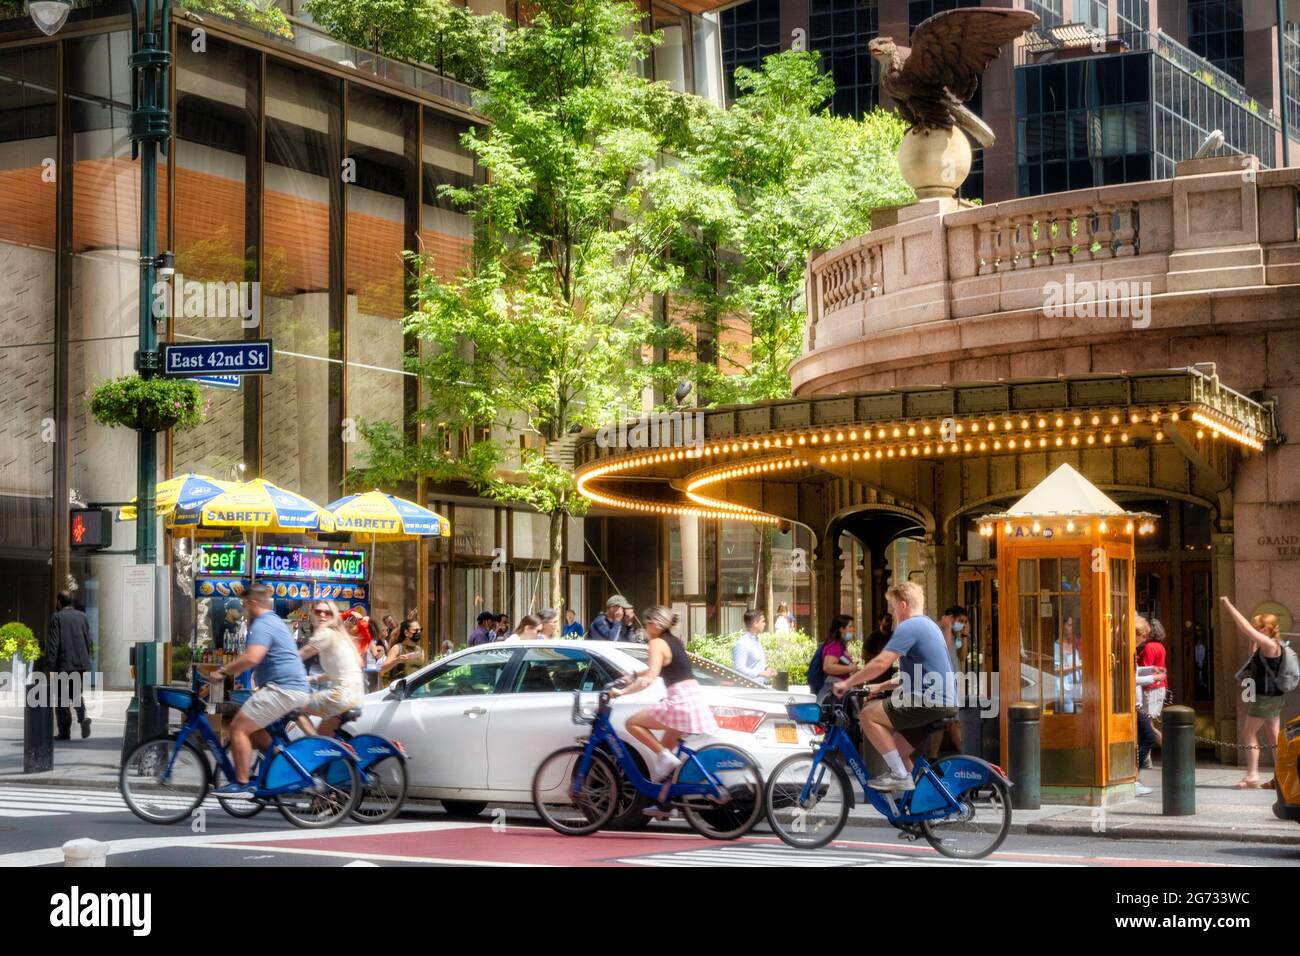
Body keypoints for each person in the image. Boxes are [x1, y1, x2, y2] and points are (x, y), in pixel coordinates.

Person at [832, 581, 958, 792]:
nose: (893, 612)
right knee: (899, 753)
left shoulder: (910, 626)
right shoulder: (929, 626)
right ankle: (925, 809)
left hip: (928, 699)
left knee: (868, 714)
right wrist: (879, 687)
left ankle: (899, 776)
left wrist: (847, 683)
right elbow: (913, 677)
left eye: (892, 606)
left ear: (902, 605)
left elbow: (882, 662)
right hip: (941, 699)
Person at [612, 606, 720, 817]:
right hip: (692, 697)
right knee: (667, 760)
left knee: (632, 723)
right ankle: (664, 804)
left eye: (646, 623)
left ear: (655, 624)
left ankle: (664, 757)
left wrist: (622, 692)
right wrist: (633, 674)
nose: (644, 627)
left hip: (679, 700)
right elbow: (658, 667)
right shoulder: (673, 641)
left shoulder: (656, 643)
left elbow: (651, 677)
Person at [205, 584, 311, 796]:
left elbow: (253, 657)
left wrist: (223, 672)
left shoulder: (262, 624)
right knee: (255, 730)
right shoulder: (274, 621)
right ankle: (282, 765)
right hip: (291, 688)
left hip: (283, 689)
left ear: (253, 603)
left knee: (238, 728)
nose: (243, 610)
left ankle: (242, 783)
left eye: (244, 605)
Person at [1224, 595, 1292, 789]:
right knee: (1273, 737)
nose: (1253, 628)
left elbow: (1244, 627)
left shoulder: (1271, 645)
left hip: (1266, 697)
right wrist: (1252, 644)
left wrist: (1228, 605)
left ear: (1266, 629)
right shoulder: (1268, 646)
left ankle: (1253, 775)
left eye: (1258, 626)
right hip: (1271, 696)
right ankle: (1282, 777)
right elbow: (1252, 662)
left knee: (1248, 734)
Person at [297, 600, 366, 737]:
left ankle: (313, 744)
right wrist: (311, 679)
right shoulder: (340, 636)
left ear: (333, 616)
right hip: (355, 696)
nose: (322, 615)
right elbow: (339, 672)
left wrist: (276, 669)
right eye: (318, 612)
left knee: (294, 706)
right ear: (311, 614)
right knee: (325, 737)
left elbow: (300, 655)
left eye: (327, 613)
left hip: (340, 695)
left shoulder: (326, 634)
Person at [46, 591, 93, 741]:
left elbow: (53, 644)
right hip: (79, 663)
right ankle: (82, 717)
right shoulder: (82, 616)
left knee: (62, 698)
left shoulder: (57, 617)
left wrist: (49, 667)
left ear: (59, 602)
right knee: (76, 693)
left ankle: (64, 732)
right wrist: (86, 661)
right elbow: (88, 640)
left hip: (64, 663)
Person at [931, 604, 968, 756]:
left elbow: (963, 656)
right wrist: (946, 628)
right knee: (943, 722)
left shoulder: (953, 633)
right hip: (940, 681)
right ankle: (933, 756)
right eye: (961, 620)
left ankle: (965, 754)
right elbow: (944, 651)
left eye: (965, 622)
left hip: (953, 680)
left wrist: (965, 636)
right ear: (950, 618)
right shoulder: (936, 630)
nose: (963, 625)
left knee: (952, 721)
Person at [1135, 614, 1168, 766]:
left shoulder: (1148, 647)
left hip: (1150, 689)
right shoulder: (1160, 646)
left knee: (1148, 728)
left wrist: (1152, 676)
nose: (1144, 638)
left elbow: (1138, 673)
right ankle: (1147, 757)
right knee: (1148, 726)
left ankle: (1169, 750)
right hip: (1157, 688)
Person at [814, 615, 857, 703]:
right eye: (850, 626)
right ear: (841, 629)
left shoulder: (839, 646)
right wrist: (851, 668)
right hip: (834, 691)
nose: (853, 629)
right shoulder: (835, 646)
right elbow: (828, 667)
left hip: (838, 690)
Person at [731, 608, 777, 685]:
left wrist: (767, 669)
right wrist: (761, 673)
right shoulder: (742, 644)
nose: (764, 624)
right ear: (755, 623)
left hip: (760, 686)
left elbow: (755, 663)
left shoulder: (756, 640)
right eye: (763, 621)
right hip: (748, 689)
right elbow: (738, 669)